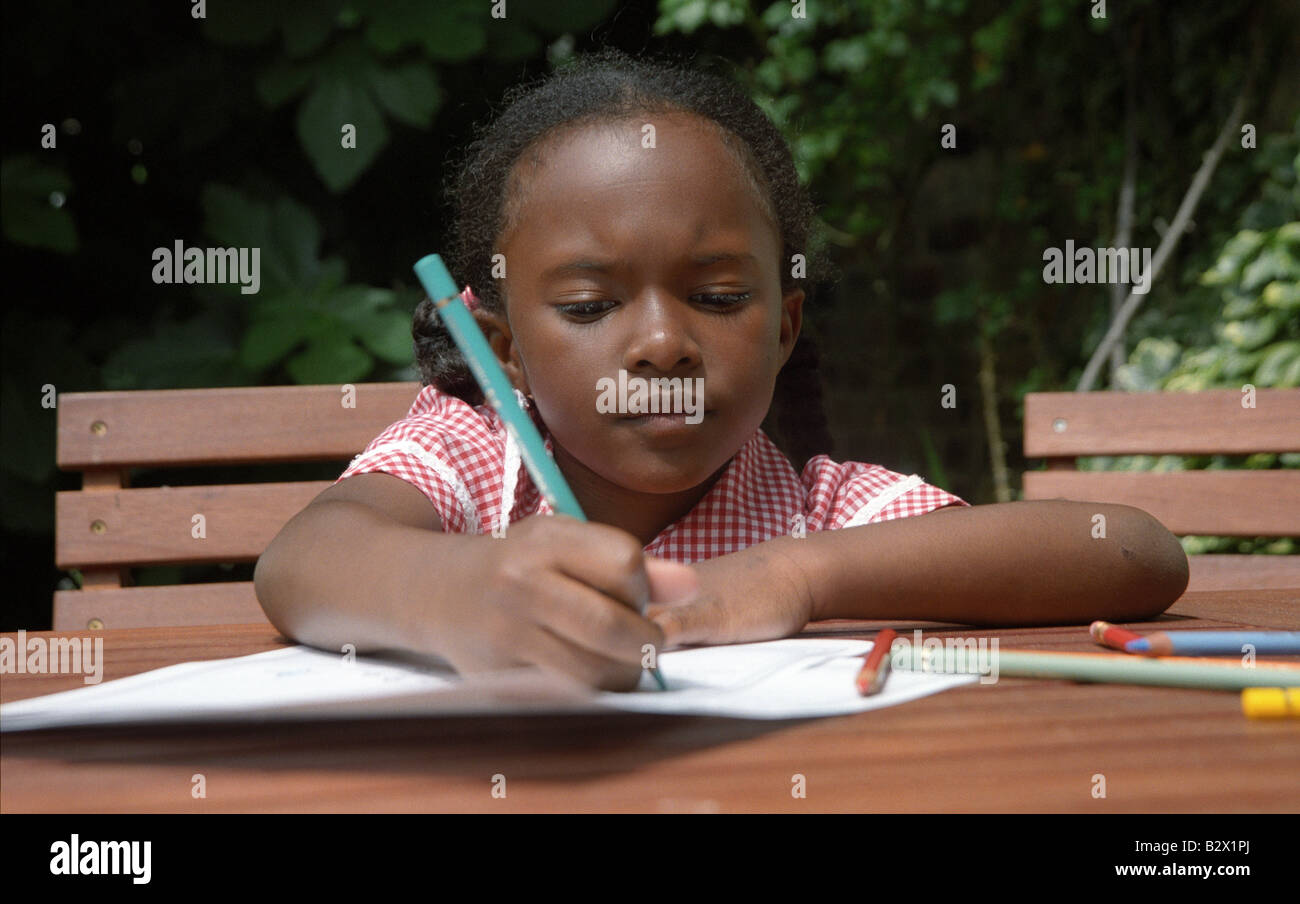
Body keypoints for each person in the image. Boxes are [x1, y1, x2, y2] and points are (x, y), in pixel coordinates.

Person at [254, 50, 1188, 691]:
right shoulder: (473, 455)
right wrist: (459, 594)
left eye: (718, 297)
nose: (663, 342)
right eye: (588, 307)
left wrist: (792, 579)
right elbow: (303, 560)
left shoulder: (810, 513)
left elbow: (1135, 551)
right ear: (504, 352)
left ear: (786, 328)